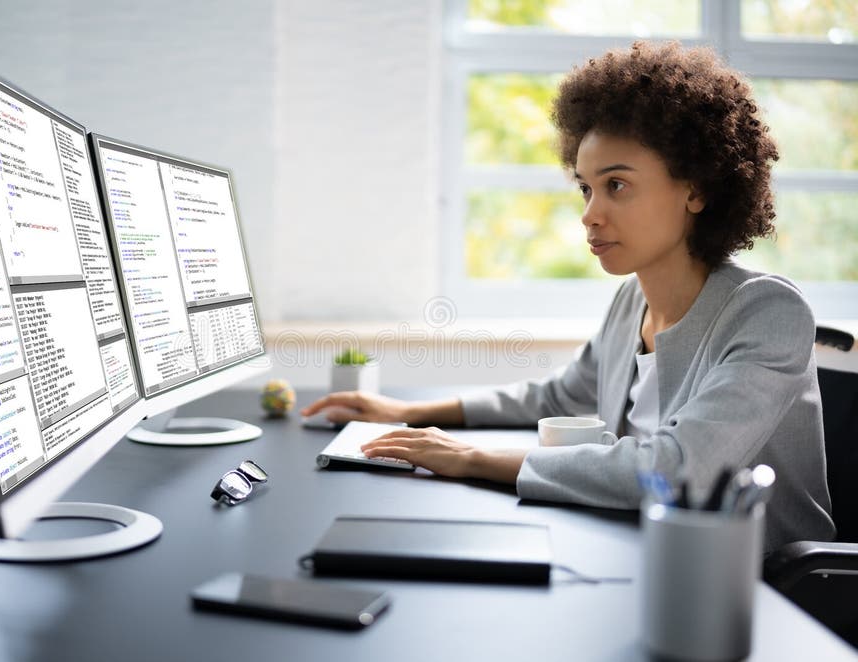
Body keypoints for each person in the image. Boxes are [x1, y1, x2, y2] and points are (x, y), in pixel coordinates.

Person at [301, 41, 835, 553]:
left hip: (755, 590)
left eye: (617, 186)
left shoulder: (767, 313)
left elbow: (675, 467)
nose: (590, 213)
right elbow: (558, 399)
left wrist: (472, 458)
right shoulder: (633, 302)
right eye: (585, 187)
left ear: (696, 188)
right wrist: (409, 411)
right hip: (636, 548)